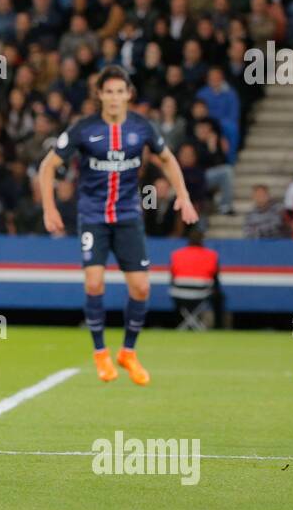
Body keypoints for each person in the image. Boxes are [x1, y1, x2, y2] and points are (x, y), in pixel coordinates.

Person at [38, 65, 199, 385]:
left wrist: (183, 196)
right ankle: (100, 354)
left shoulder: (142, 128)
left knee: (141, 287)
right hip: (93, 217)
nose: (113, 97)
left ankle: (128, 352)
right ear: (99, 95)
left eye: (119, 91)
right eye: (108, 91)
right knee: (94, 283)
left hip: (128, 217)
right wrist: (49, 208)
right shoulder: (83, 129)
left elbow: (167, 159)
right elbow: (48, 166)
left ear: (128, 95)